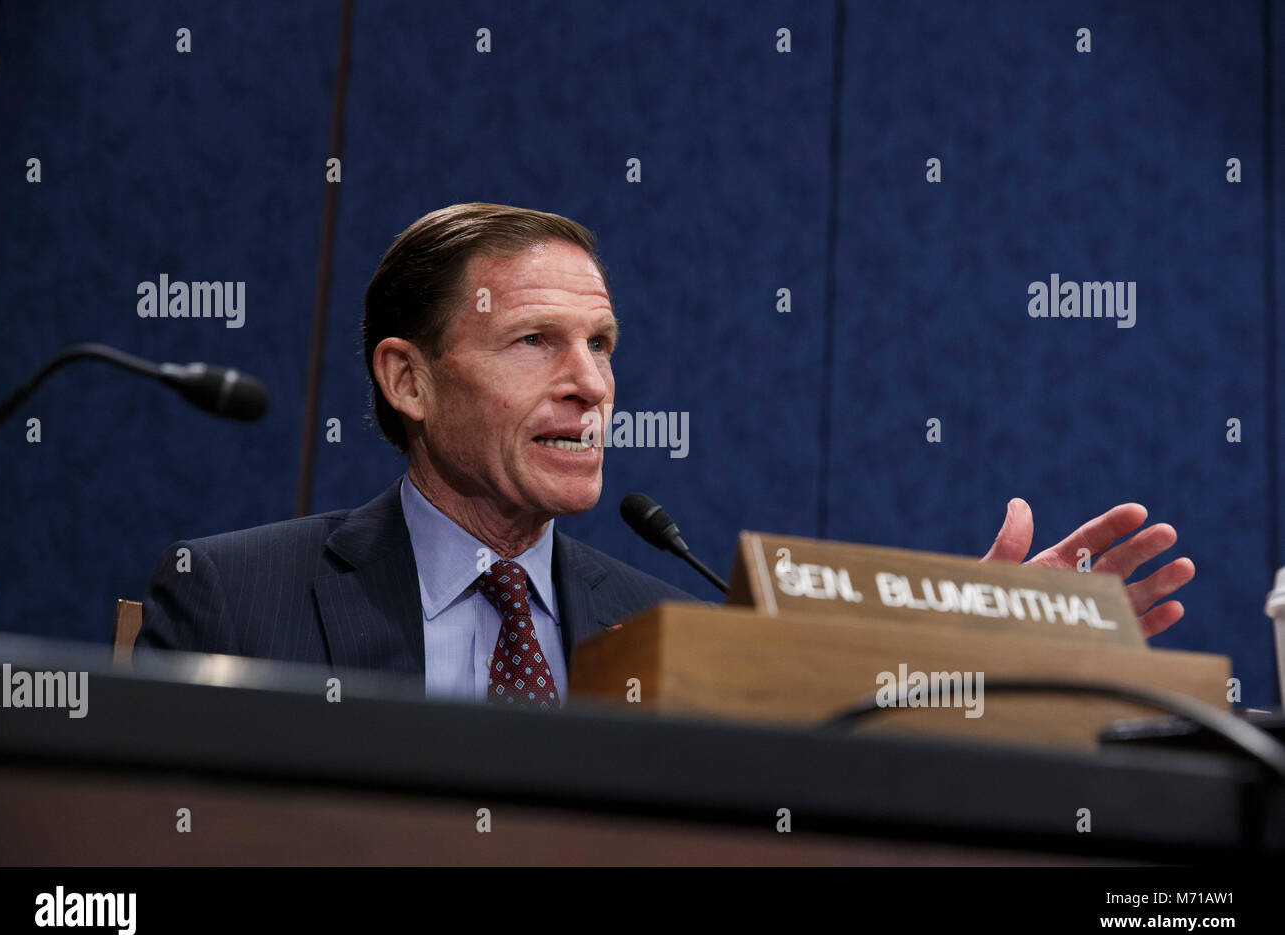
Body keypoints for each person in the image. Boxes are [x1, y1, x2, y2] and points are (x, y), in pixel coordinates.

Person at [136, 203, 1195, 708]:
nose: (591, 384)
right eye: (534, 342)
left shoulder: (678, 636)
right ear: (406, 379)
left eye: (601, 345)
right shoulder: (234, 597)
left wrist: (980, 648)